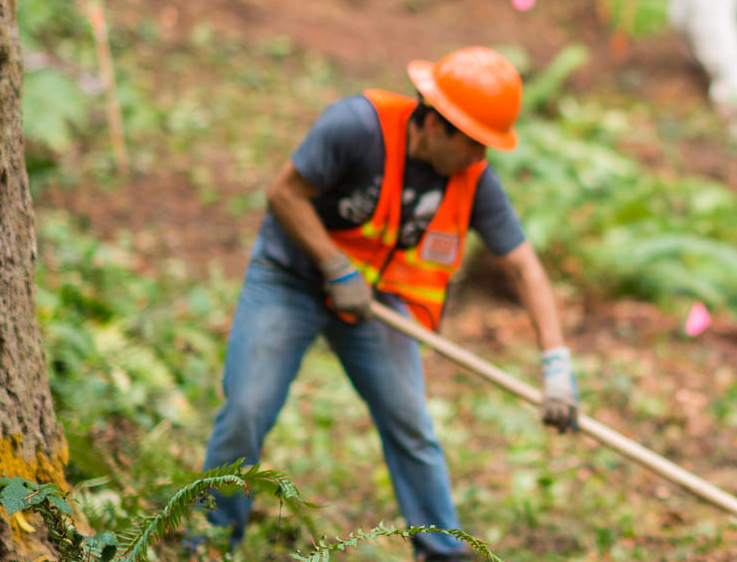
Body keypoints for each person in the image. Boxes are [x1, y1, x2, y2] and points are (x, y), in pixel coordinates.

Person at [197, 46, 579, 561]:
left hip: (372, 300)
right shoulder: (356, 128)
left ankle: (443, 552)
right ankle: (210, 542)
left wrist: (556, 367)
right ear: (441, 124)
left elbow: (525, 267)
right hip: (289, 279)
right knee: (247, 407)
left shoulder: (473, 178)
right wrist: (334, 265)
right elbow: (284, 194)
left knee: (411, 423)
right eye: (475, 144)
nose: (481, 159)